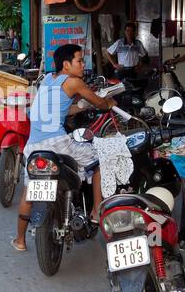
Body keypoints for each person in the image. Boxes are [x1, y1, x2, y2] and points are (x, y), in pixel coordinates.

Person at [11, 44, 116, 252]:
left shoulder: (47, 80)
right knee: (100, 160)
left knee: (28, 193)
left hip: (33, 147)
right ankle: (96, 211)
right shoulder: (74, 82)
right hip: (58, 145)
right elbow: (100, 104)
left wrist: (78, 108)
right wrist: (110, 102)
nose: (82, 64)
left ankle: (20, 240)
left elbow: (58, 110)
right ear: (66, 65)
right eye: (79, 60)